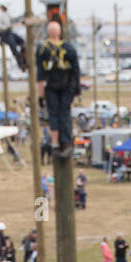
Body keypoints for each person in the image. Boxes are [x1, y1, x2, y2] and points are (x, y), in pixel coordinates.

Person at [36, 20, 81, 159]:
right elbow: (76, 71)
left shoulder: (43, 49)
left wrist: (41, 96)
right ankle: (65, 143)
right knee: (63, 113)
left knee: (54, 114)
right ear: (60, 32)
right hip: (65, 86)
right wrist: (76, 89)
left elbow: (40, 75)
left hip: (53, 86)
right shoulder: (68, 48)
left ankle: (56, 143)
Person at [0, 4, 27, 72]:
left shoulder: (8, 14)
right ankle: (21, 64)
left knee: (22, 42)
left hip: (10, 32)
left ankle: (25, 61)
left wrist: (22, 19)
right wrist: (6, 27)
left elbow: (14, 20)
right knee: (14, 49)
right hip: (4, 34)